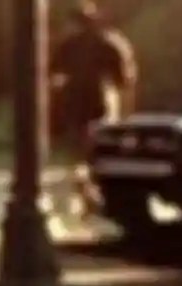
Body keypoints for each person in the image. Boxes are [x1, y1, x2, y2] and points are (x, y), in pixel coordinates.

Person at [50, 1, 138, 216]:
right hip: (101, 103)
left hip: (78, 104)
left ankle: (87, 193)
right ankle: (93, 193)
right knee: (96, 151)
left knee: (80, 154)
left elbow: (54, 75)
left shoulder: (69, 44)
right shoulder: (109, 42)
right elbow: (125, 78)